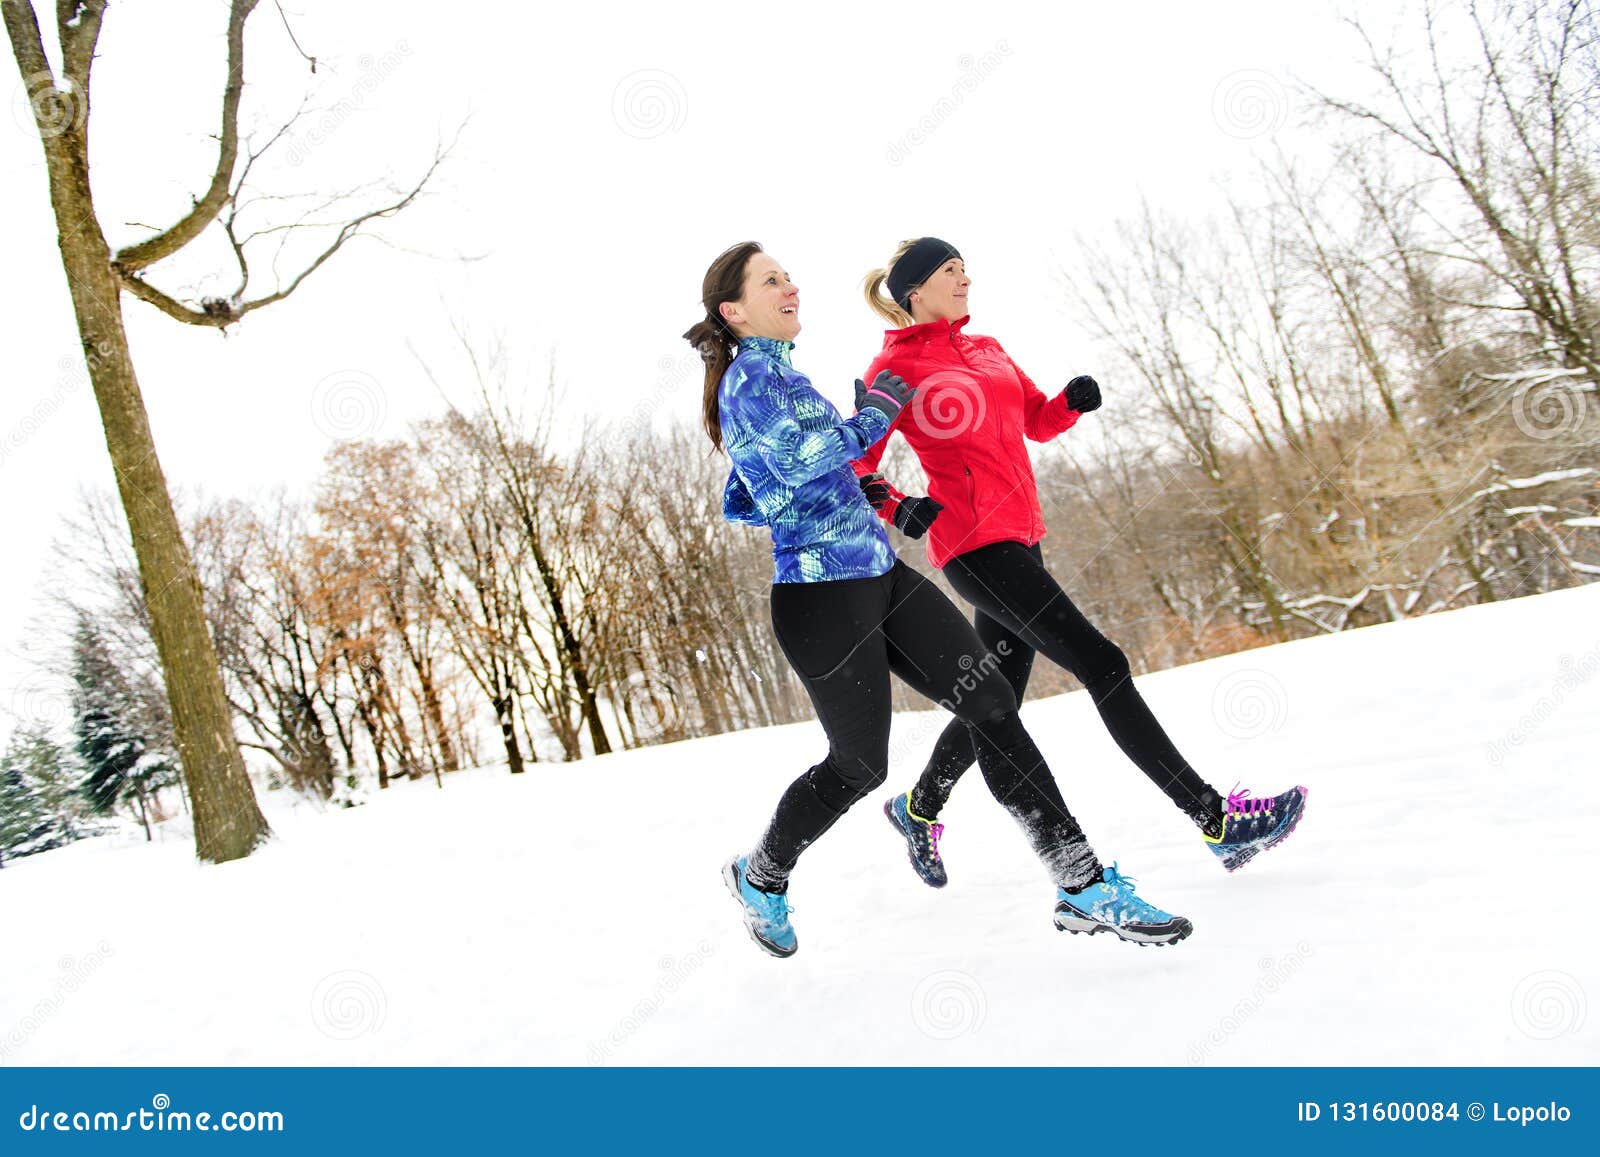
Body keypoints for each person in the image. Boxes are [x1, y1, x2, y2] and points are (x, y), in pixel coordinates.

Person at [685, 241, 1193, 957]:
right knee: (859, 766)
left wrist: (885, 487)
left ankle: (1080, 883)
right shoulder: (748, 381)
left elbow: (815, 476)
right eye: (772, 280)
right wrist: (877, 415)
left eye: (789, 274)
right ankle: (761, 874)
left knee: (989, 701)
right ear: (733, 311)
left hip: (878, 575)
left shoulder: (783, 379)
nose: (791, 285)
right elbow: (809, 461)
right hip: (819, 600)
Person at [854, 237, 1308, 886]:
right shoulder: (892, 372)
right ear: (914, 292)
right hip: (973, 547)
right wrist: (898, 507)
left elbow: (1036, 420)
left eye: (964, 267)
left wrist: (1070, 401)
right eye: (949, 270)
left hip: (1021, 538)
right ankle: (1214, 818)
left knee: (998, 697)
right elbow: (857, 461)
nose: (965, 278)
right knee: (1104, 663)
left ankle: (918, 806)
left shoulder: (987, 349)